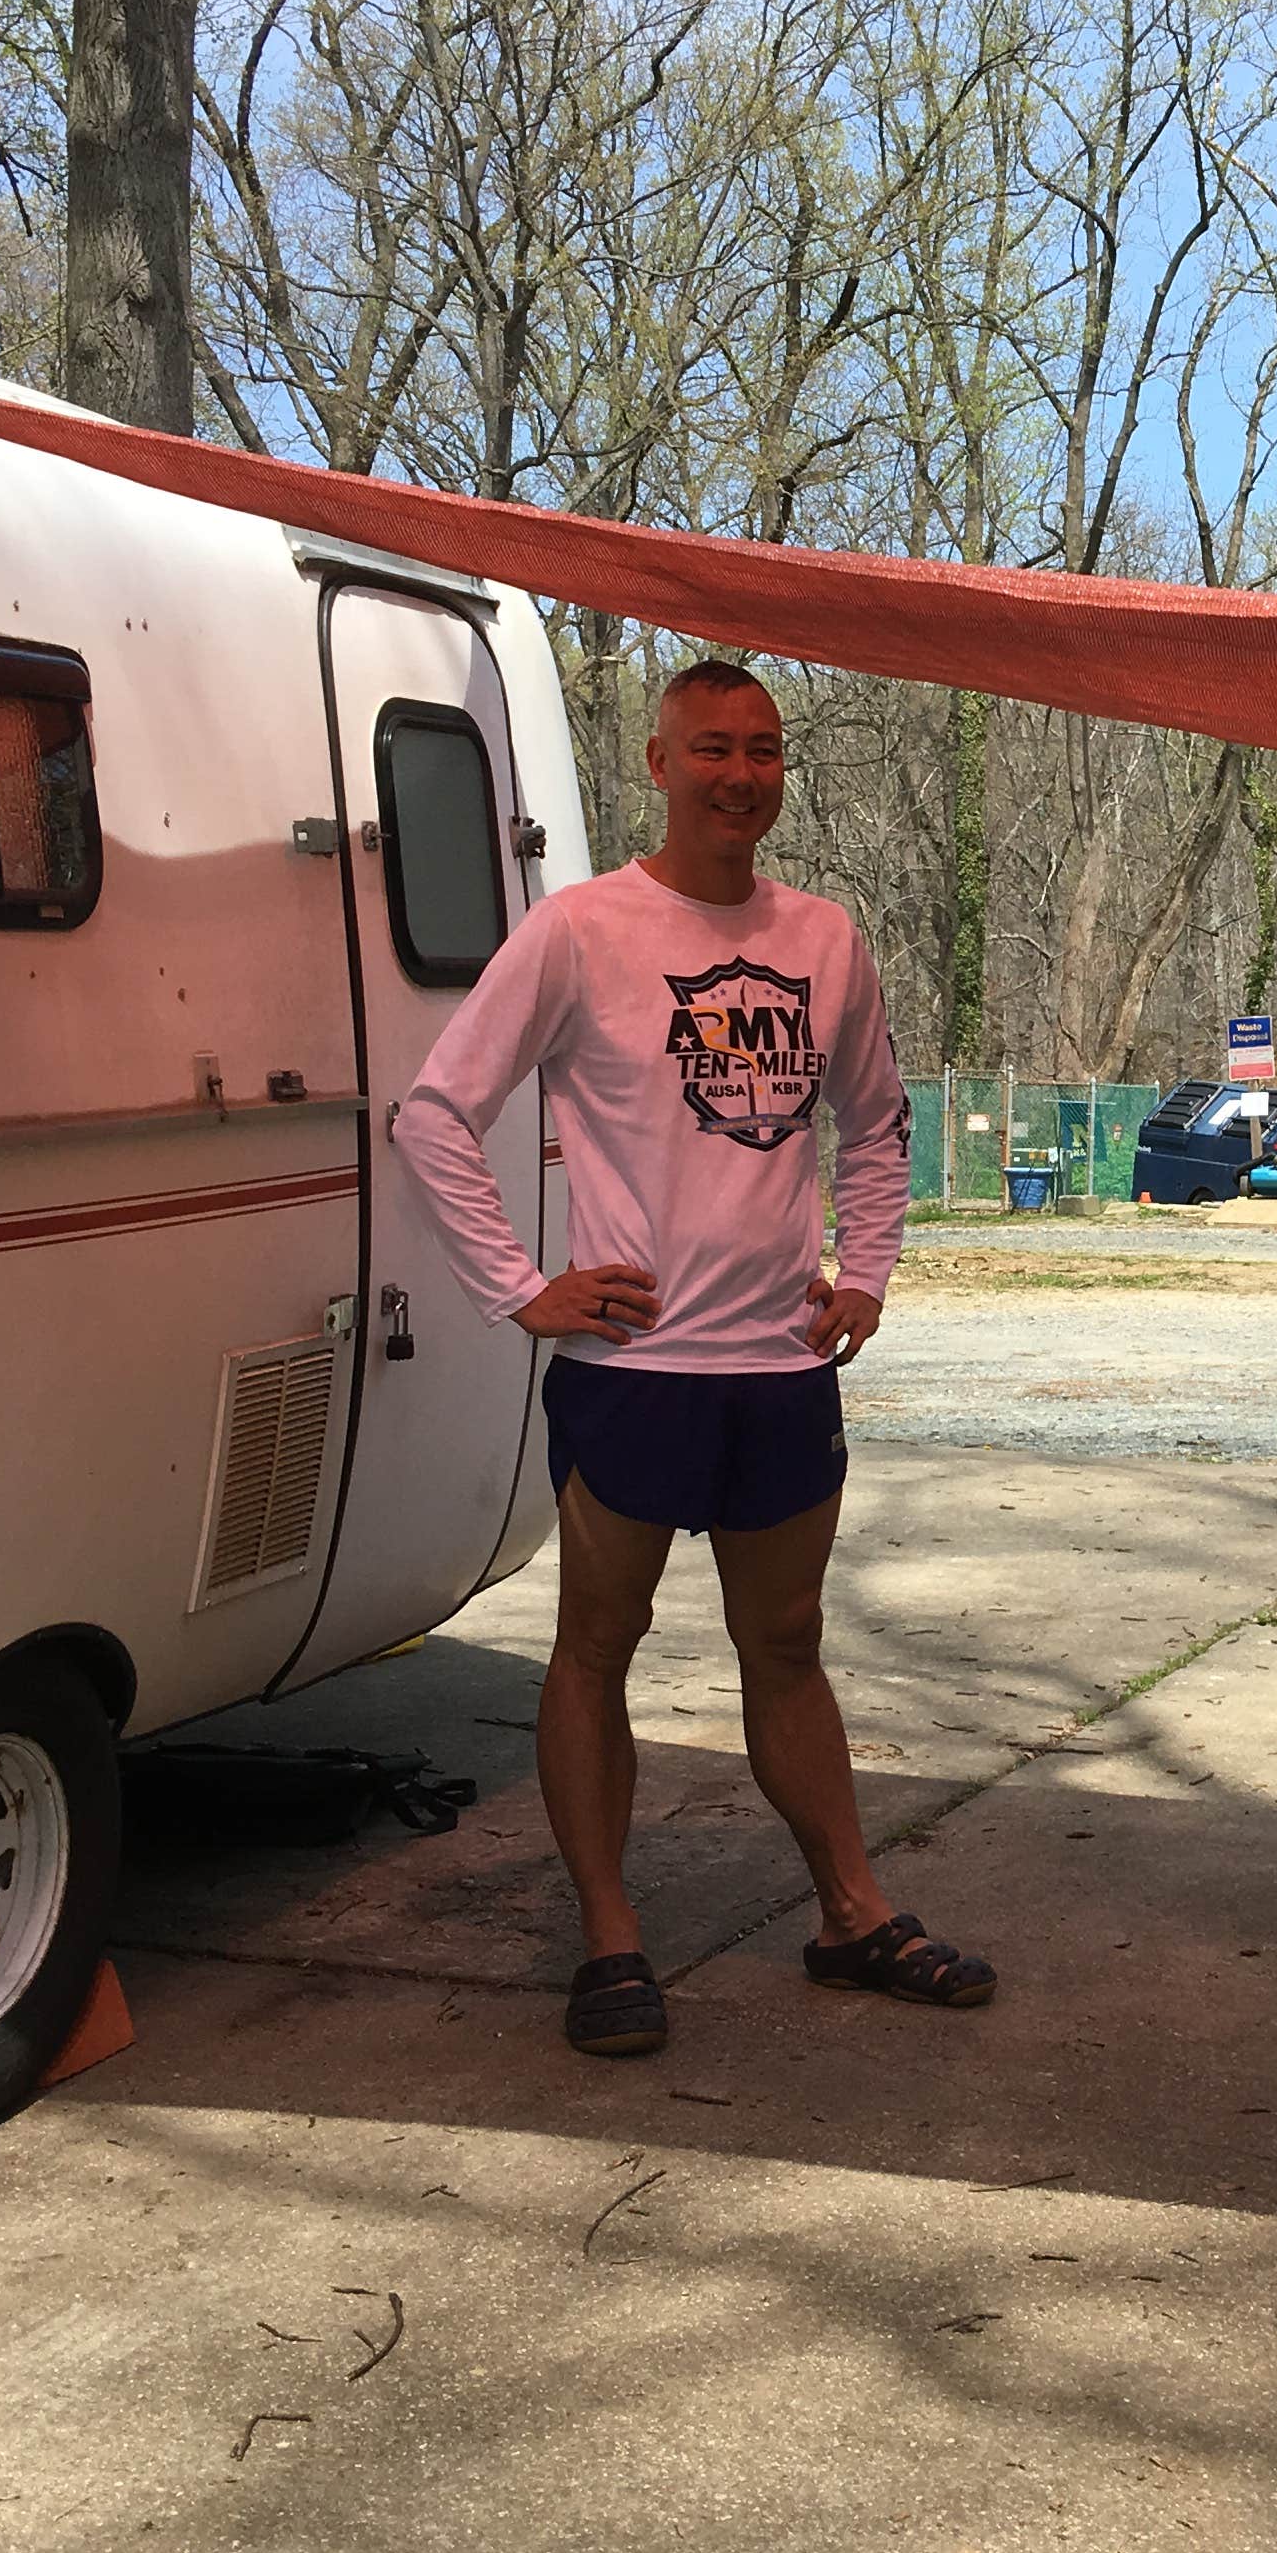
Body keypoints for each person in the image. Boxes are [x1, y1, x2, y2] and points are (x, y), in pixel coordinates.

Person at [394, 656, 995, 2053]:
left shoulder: (826, 939)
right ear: (657, 766)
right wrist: (523, 1288)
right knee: (597, 1646)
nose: (742, 774)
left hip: (781, 1373)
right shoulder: (583, 931)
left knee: (787, 1644)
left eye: (766, 750)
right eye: (713, 748)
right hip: (634, 1373)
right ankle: (611, 1942)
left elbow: (882, 1122)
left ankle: (853, 1915)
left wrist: (872, 1274)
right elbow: (435, 1116)